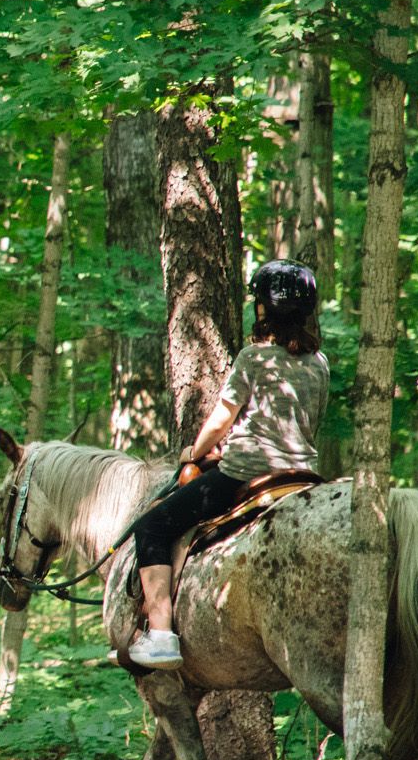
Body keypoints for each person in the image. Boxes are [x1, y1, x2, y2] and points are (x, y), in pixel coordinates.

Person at [128, 259, 328, 669]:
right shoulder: (319, 363)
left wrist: (195, 453)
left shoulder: (253, 358)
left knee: (152, 525)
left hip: (245, 474)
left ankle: (162, 634)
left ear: (264, 310)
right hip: (303, 477)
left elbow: (221, 419)